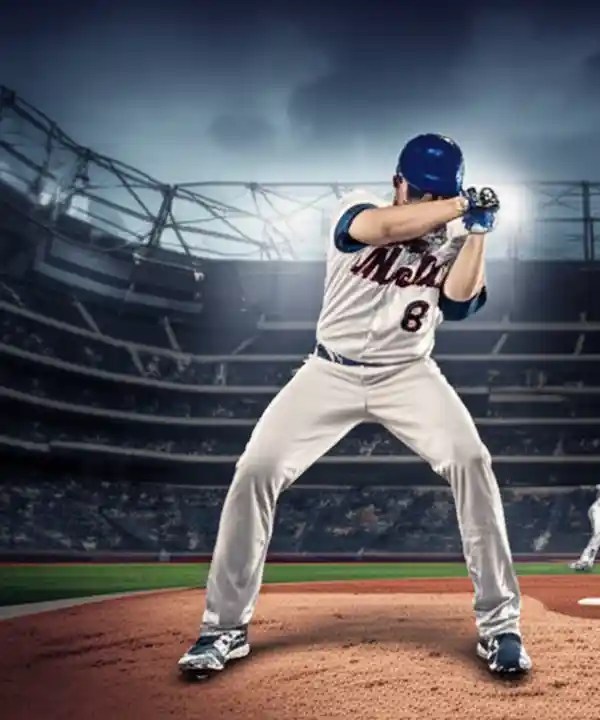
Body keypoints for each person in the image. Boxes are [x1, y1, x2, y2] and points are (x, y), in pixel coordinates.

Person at [177, 133, 532, 678]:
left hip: (409, 374)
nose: (430, 206)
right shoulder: (356, 207)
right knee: (256, 470)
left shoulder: (454, 233)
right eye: (423, 194)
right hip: (329, 372)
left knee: (472, 463)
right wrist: (462, 205)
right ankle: (223, 627)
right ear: (399, 184)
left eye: (442, 194)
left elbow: (459, 304)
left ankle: (500, 625)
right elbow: (385, 229)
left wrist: (477, 234)